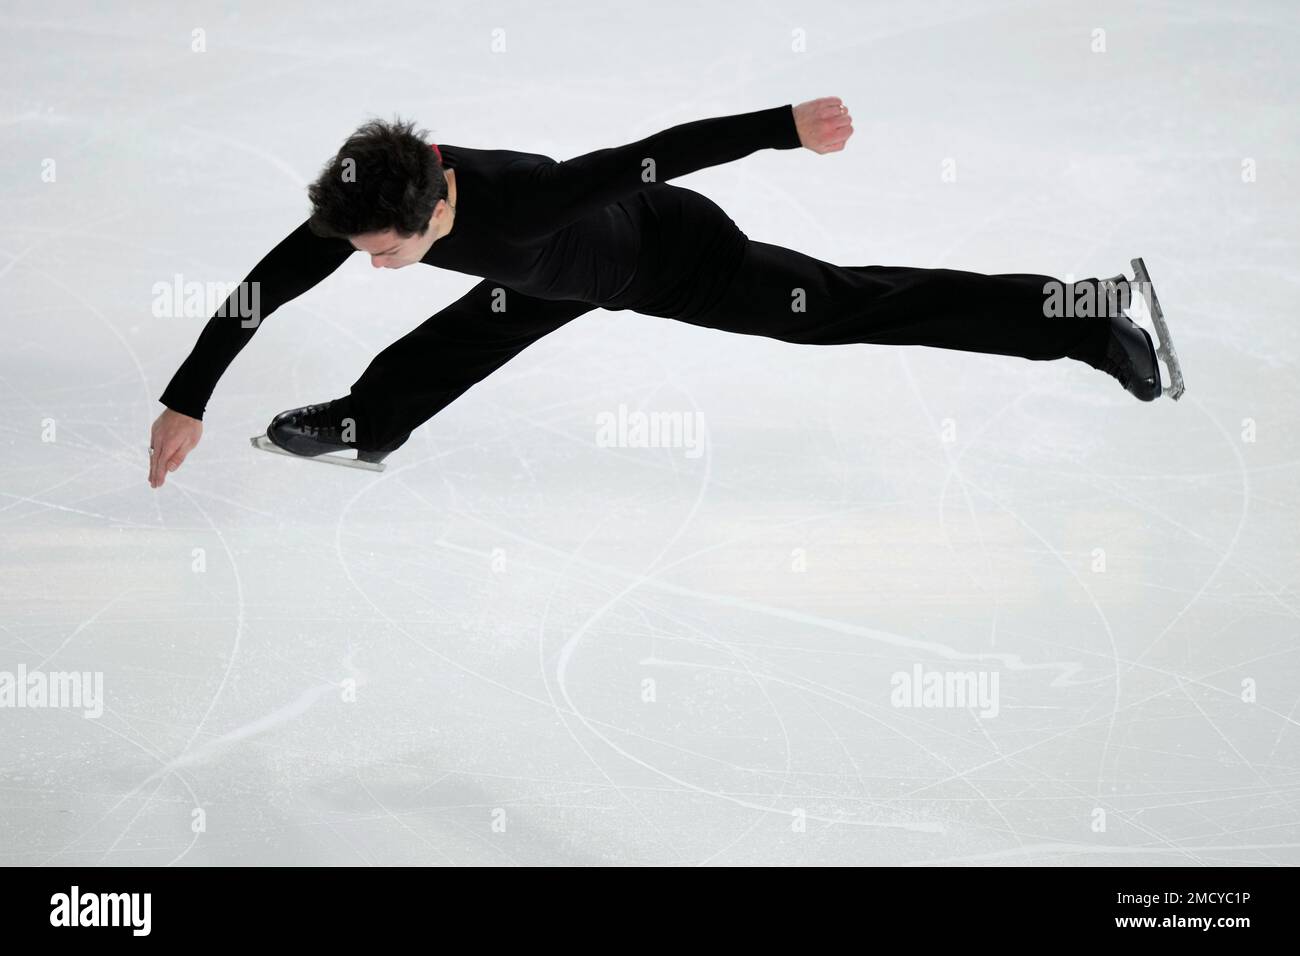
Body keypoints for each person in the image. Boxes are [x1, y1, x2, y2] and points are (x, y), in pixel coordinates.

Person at [147, 96, 1168, 488]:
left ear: (432, 212)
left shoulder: (533, 201)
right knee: (472, 329)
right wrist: (188, 394)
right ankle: (369, 425)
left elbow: (650, 154)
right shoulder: (378, 193)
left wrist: (780, 126)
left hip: (671, 256)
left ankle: (1074, 316)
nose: (367, 261)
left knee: (845, 305)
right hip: (549, 277)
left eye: (381, 251)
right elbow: (263, 287)